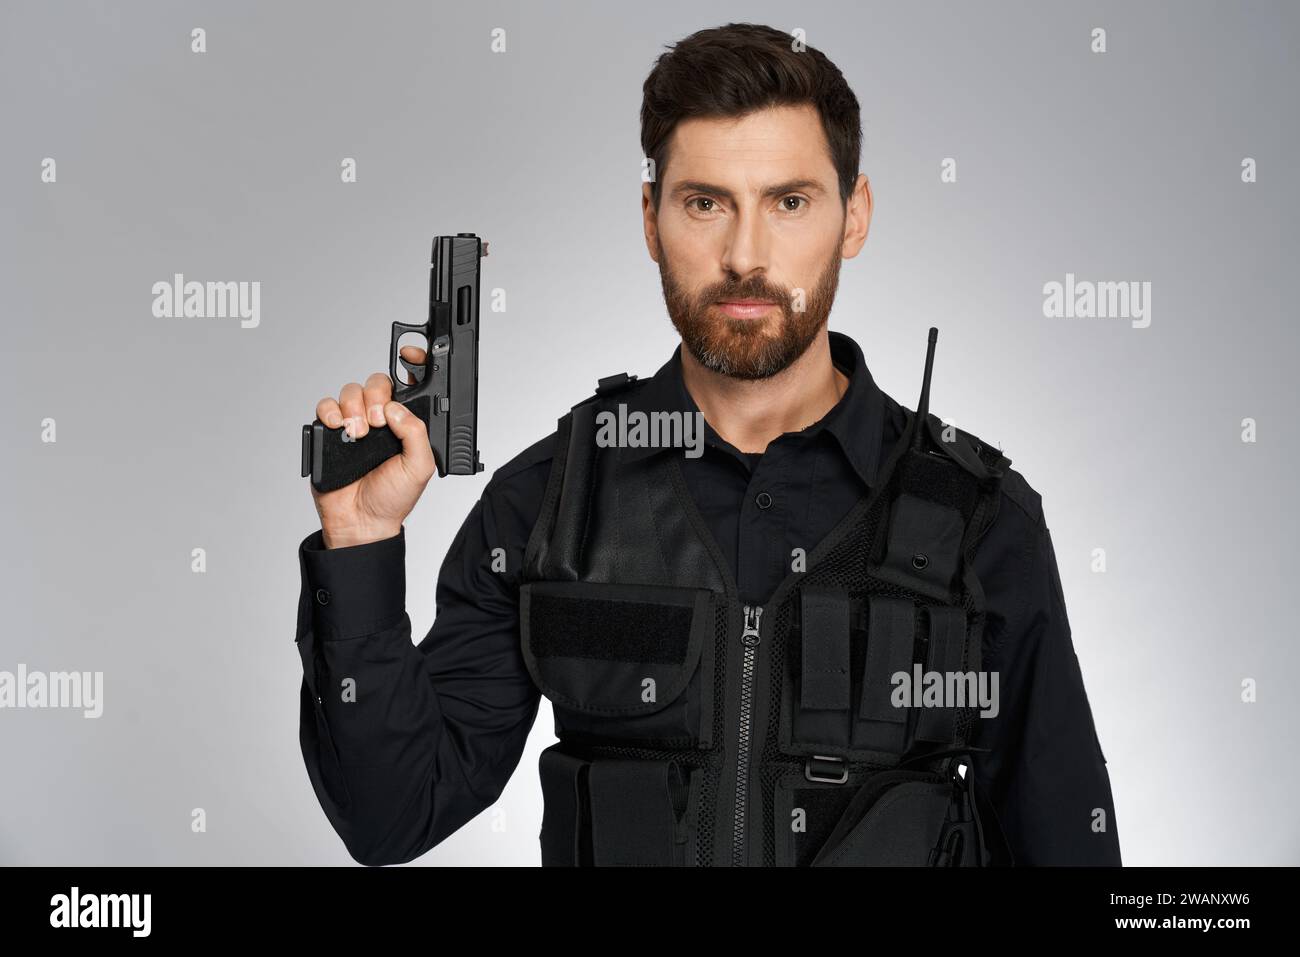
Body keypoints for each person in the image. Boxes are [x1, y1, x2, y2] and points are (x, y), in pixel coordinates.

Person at [294, 22, 1120, 867]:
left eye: (788, 202)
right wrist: (359, 545)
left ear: (854, 216)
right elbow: (392, 815)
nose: (744, 256)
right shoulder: (548, 503)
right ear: (651, 219)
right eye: (705, 203)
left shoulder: (981, 521)